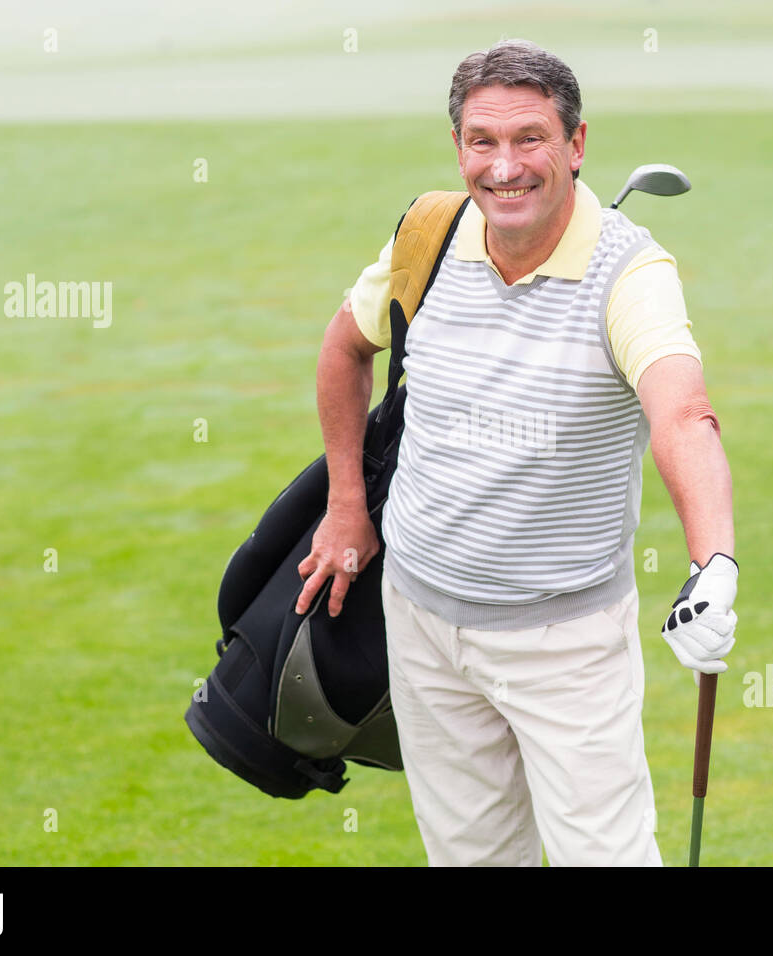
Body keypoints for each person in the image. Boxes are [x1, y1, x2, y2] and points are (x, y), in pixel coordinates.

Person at [297, 39, 738, 866]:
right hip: (422, 620)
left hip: (564, 643)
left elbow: (684, 415)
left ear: (575, 145)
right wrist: (348, 506)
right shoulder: (428, 235)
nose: (505, 167)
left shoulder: (631, 274)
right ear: (459, 147)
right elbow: (343, 348)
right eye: (482, 142)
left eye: (530, 138)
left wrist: (713, 564)